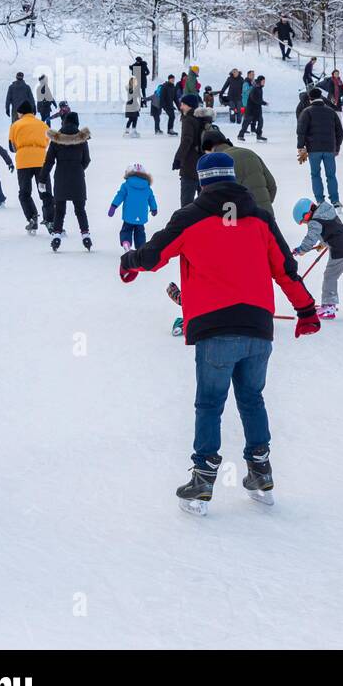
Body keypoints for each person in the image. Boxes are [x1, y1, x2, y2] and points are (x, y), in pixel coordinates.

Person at [120, 151, 320, 513]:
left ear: (202, 182)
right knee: (252, 398)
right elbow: (286, 271)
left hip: (215, 328)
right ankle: (261, 474)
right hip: (258, 327)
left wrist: (129, 262)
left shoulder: (191, 217)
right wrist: (306, 310)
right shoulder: (259, 218)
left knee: (210, 403)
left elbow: (153, 256)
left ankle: (202, 482)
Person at [291, 198, 343, 319]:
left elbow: (310, 238)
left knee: (330, 277)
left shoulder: (314, 221)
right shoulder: (327, 212)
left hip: (340, 251)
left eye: (304, 221)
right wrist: (323, 244)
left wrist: (301, 249)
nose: (306, 223)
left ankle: (329, 306)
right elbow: (332, 230)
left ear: (307, 214)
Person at [42, 110, 92, 251]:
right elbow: (86, 160)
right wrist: (78, 169)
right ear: (76, 122)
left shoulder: (56, 139)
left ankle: (56, 237)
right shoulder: (82, 139)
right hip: (77, 178)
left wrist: (42, 178)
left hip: (61, 177)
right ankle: (86, 236)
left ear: (64, 122)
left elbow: (49, 161)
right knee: (80, 210)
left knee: (60, 211)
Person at [200, 127, 277, 216]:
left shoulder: (217, 164)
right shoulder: (250, 153)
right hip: (266, 216)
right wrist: (264, 204)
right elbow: (271, 185)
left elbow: (216, 198)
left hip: (240, 221)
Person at [8, 101, 53, 235]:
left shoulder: (15, 125)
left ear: (21, 112)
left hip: (23, 163)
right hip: (41, 162)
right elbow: (47, 141)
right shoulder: (43, 125)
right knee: (45, 192)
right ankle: (50, 220)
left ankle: (32, 218)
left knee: (24, 193)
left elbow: (12, 147)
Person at [297, 87, 343, 208]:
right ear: (321, 97)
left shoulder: (307, 112)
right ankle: (335, 200)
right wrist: (337, 147)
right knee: (331, 175)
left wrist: (300, 147)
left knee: (315, 174)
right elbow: (340, 131)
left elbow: (301, 131)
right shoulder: (331, 112)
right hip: (329, 149)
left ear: (310, 99)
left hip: (314, 149)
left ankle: (320, 200)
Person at [174, 95, 214, 207]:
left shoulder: (189, 120)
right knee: (204, 203)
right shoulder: (202, 119)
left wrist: (178, 159)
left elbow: (187, 140)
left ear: (188, 105)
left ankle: (187, 224)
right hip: (204, 165)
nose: (180, 106)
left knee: (187, 204)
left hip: (190, 166)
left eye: (182, 104)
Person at [109, 162, 158, 249]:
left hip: (129, 214)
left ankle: (126, 243)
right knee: (140, 232)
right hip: (141, 215)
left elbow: (120, 196)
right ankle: (141, 248)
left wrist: (114, 206)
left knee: (126, 230)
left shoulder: (126, 185)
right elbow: (151, 198)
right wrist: (154, 209)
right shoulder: (147, 187)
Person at [239, 75, 267, 141]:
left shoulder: (260, 88)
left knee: (261, 122)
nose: (264, 83)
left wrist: (263, 102)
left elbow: (259, 99)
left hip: (257, 110)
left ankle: (259, 136)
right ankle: (240, 135)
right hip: (251, 109)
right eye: (263, 81)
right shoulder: (254, 88)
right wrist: (263, 103)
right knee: (246, 123)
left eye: (264, 81)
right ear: (260, 81)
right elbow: (254, 99)